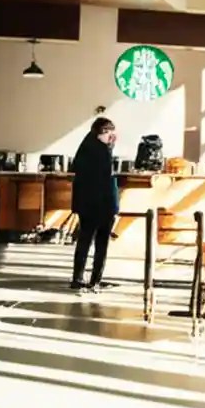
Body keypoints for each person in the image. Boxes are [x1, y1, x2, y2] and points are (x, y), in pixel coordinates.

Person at [70, 117, 120, 292]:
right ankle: (95, 279)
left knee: (85, 240)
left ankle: (78, 278)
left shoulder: (86, 146)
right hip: (100, 204)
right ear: (101, 133)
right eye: (107, 132)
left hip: (87, 204)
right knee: (101, 243)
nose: (110, 136)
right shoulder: (101, 151)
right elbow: (106, 175)